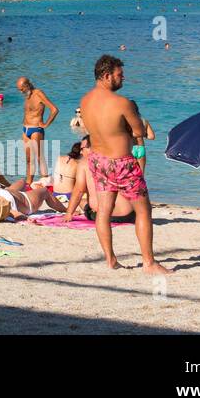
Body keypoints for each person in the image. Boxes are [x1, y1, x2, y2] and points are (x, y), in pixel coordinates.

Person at [76, 55, 171, 274]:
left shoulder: (85, 101)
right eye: (120, 75)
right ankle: (149, 263)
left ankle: (110, 259)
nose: (123, 78)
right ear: (107, 75)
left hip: (98, 161)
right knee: (143, 211)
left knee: (104, 211)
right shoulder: (122, 103)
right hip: (122, 163)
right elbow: (139, 132)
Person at [16, 76, 59, 183]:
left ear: (27, 85)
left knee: (40, 157)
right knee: (29, 160)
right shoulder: (27, 95)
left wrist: (46, 124)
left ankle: (47, 182)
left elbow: (54, 110)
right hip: (25, 130)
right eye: (19, 89)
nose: (20, 92)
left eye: (21, 89)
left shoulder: (38, 93)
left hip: (36, 129)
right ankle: (28, 184)